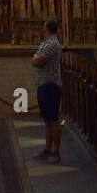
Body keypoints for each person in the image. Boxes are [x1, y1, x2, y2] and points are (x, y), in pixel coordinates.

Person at [31, 17, 63, 164]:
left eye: (44, 27)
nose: (42, 29)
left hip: (51, 86)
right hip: (44, 85)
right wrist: (35, 58)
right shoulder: (46, 43)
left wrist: (36, 58)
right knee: (47, 120)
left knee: (54, 119)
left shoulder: (52, 44)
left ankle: (56, 152)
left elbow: (37, 60)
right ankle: (47, 149)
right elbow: (35, 59)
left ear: (48, 28)